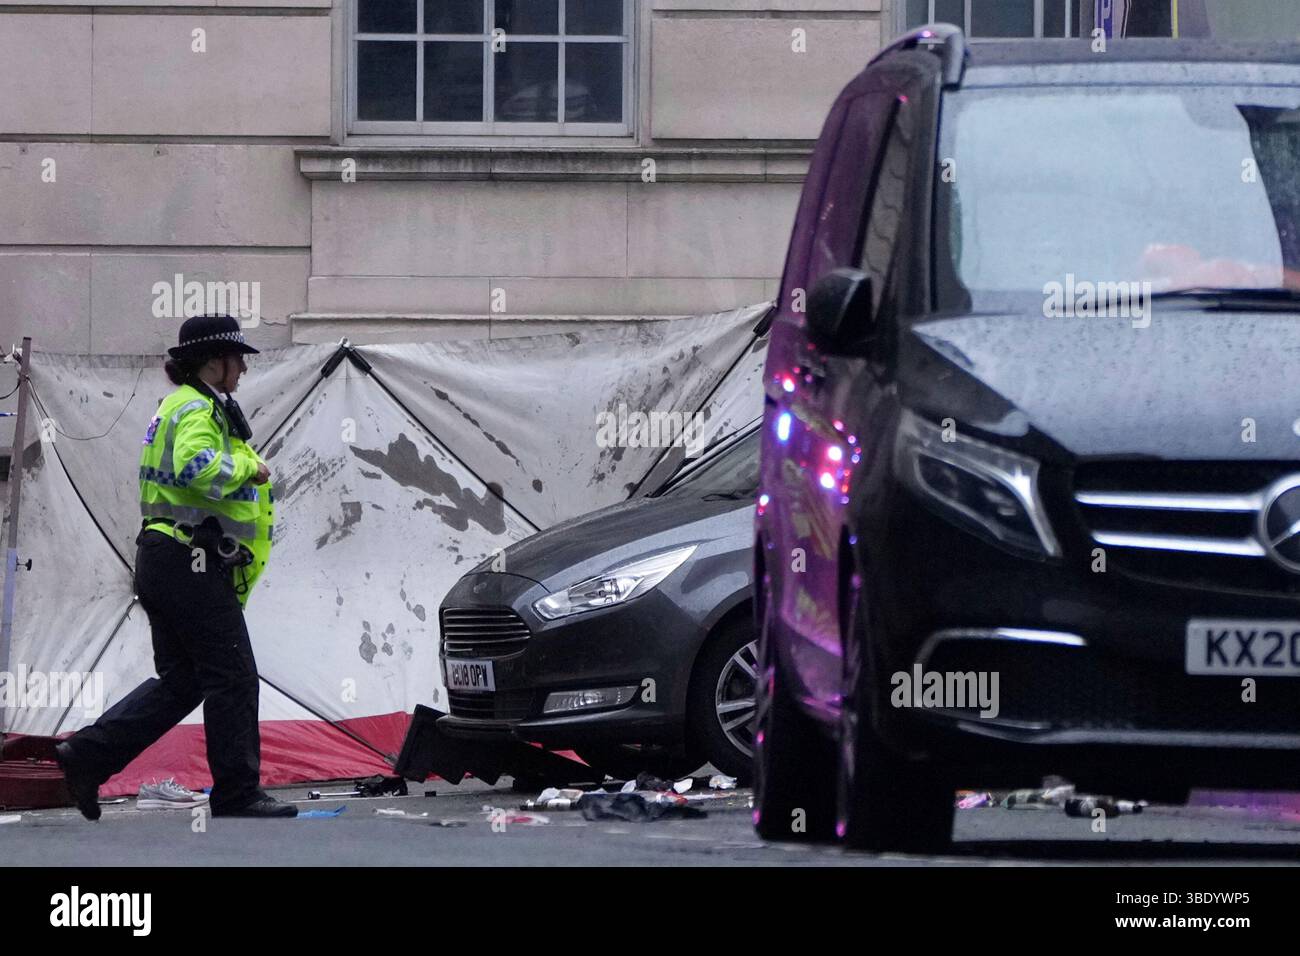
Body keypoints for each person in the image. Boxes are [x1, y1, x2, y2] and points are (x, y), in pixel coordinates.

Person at [55, 314, 296, 819]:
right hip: (189, 559)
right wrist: (251, 467)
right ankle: (237, 792)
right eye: (237, 360)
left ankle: (87, 756)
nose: (243, 371)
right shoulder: (196, 408)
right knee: (233, 675)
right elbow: (194, 468)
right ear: (213, 362)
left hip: (166, 558)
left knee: (184, 681)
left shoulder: (182, 404)